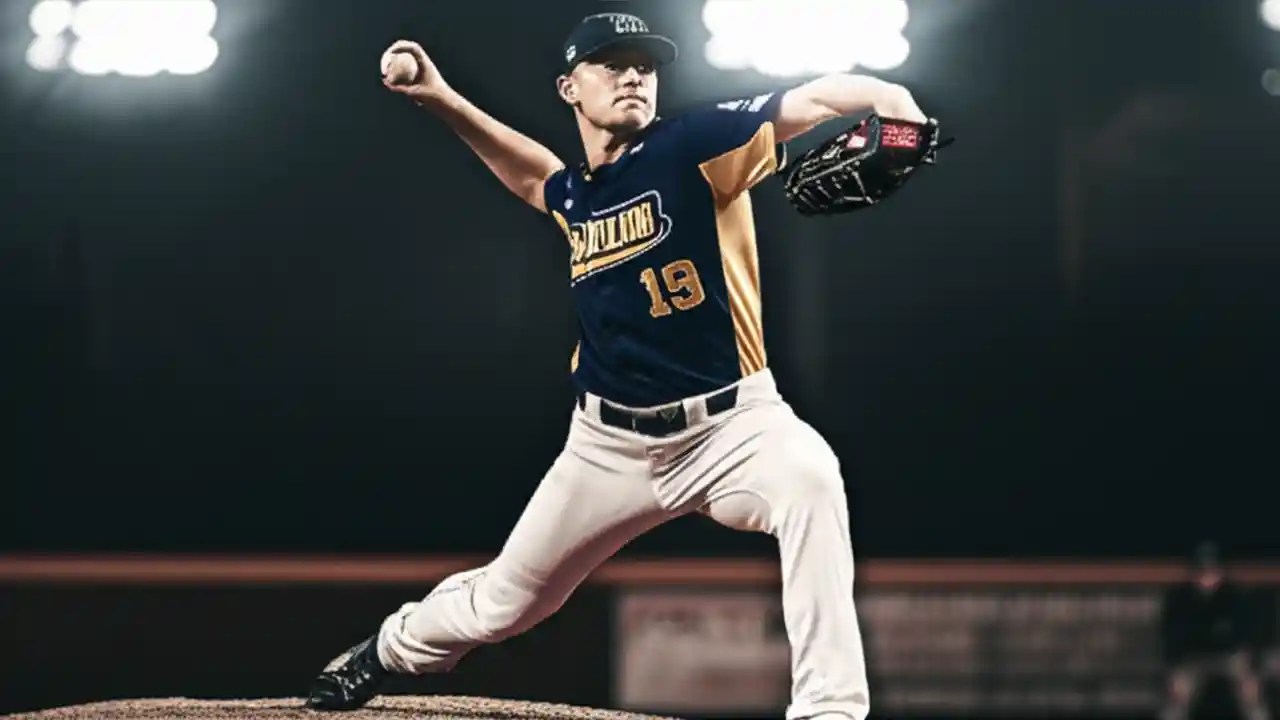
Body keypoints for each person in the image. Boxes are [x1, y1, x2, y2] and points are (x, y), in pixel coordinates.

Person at [306, 12, 929, 720]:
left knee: (811, 481)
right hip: (607, 446)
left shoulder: (695, 145)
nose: (633, 74)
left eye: (644, 64)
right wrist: (438, 96)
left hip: (735, 428)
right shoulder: (578, 193)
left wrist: (890, 98)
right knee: (503, 604)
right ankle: (389, 648)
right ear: (570, 87)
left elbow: (814, 100)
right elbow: (532, 175)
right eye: (611, 63)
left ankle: (830, 710)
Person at [1158, 542, 1271, 720]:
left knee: (1249, 688)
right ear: (1193, 573)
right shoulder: (1179, 597)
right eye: (1201, 571)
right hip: (1192, 658)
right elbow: (1170, 635)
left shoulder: (1235, 595)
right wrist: (1174, 668)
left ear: (1220, 572)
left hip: (1229, 657)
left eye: (1212, 571)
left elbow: (1249, 634)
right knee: (1177, 696)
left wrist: (1251, 665)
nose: (1207, 577)